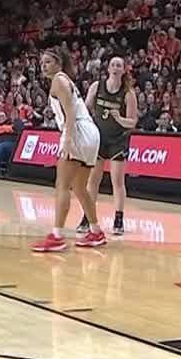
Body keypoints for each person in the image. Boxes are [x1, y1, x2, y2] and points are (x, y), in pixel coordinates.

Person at [30, 46, 105, 252]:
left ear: (59, 63)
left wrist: (67, 140)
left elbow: (70, 113)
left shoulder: (58, 80)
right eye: (42, 62)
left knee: (62, 185)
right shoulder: (66, 80)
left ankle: (56, 236)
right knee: (80, 188)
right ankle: (96, 231)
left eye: (48, 62)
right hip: (90, 131)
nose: (43, 66)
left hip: (78, 130)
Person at [84, 57, 138, 236]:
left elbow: (132, 122)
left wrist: (119, 118)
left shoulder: (128, 93)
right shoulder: (96, 87)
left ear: (124, 70)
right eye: (113, 65)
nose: (115, 68)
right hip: (98, 139)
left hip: (117, 140)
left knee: (117, 181)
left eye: (119, 66)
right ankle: (88, 217)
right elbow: (85, 109)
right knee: (93, 180)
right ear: (108, 68)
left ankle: (119, 219)